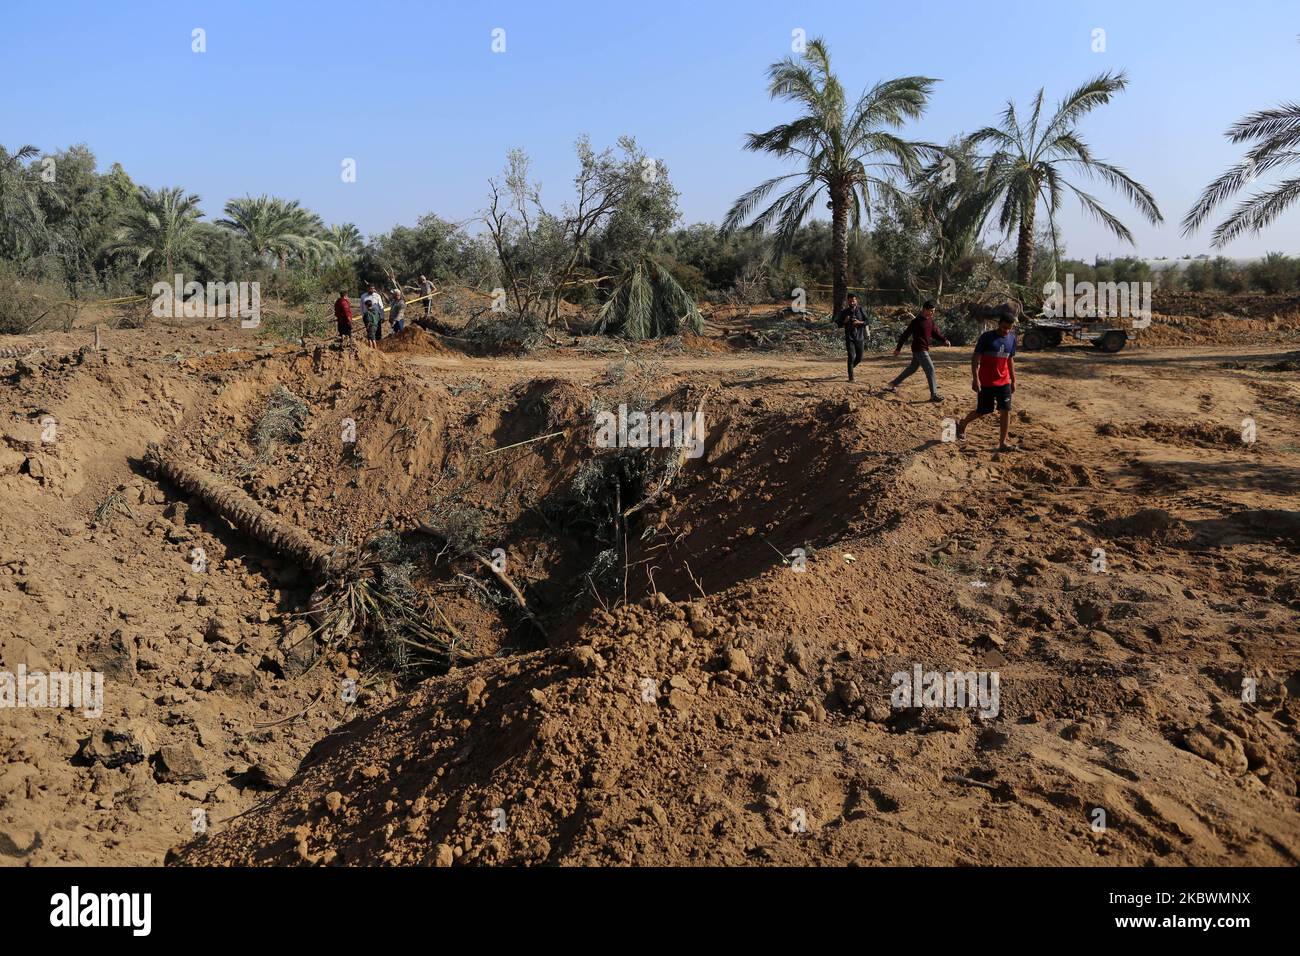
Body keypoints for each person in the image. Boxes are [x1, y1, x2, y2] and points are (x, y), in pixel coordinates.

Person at [956, 307, 1018, 450]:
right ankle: (963, 424)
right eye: (1004, 328)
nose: (1006, 331)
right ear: (999, 323)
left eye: (1009, 328)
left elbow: (1010, 360)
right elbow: (975, 359)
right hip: (986, 382)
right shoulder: (986, 337)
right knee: (983, 410)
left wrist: (1013, 380)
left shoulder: (1011, 339)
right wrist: (975, 379)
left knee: (1006, 410)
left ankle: (1002, 443)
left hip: (1004, 381)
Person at [885, 299, 950, 401]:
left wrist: (944, 340)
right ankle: (934, 395)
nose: (932, 313)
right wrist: (898, 348)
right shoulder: (916, 322)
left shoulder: (930, 321)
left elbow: (935, 333)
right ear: (924, 309)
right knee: (930, 370)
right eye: (930, 310)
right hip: (919, 349)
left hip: (922, 349)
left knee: (912, 368)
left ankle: (892, 384)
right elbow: (905, 335)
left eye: (933, 311)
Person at [836, 293, 870, 382]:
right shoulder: (844, 312)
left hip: (859, 336)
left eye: (853, 300)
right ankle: (851, 378)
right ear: (848, 301)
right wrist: (845, 321)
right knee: (851, 356)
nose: (852, 302)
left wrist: (860, 322)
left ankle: (850, 367)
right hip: (849, 336)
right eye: (850, 301)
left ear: (856, 301)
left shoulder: (861, 309)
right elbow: (839, 324)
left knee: (859, 357)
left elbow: (867, 321)